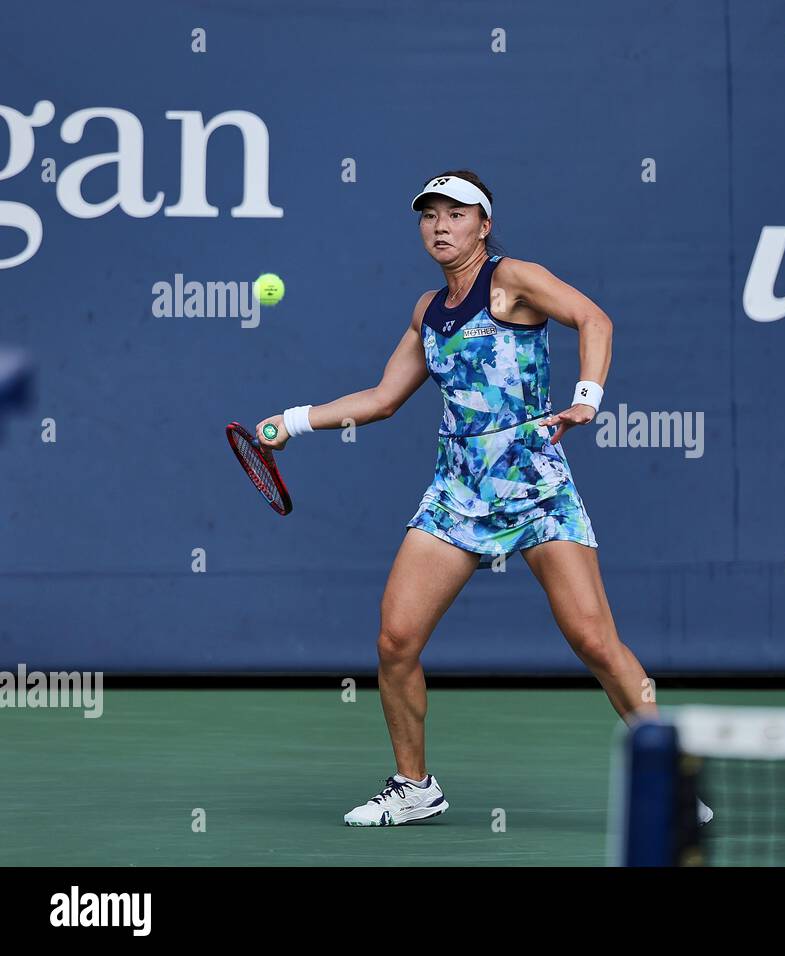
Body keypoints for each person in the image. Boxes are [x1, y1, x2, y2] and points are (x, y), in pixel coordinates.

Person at [256, 170, 711, 827]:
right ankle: (414, 787)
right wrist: (292, 422)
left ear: (483, 224)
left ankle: (670, 780)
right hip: (458, 488)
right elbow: (383, 399)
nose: (441, 226)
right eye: (429, 215)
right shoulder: (428, 311)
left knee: (594, 639)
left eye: (456, 214)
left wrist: (588, 399)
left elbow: (593, 318)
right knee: (396, 639)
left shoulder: (514, 280)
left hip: (531, 479)